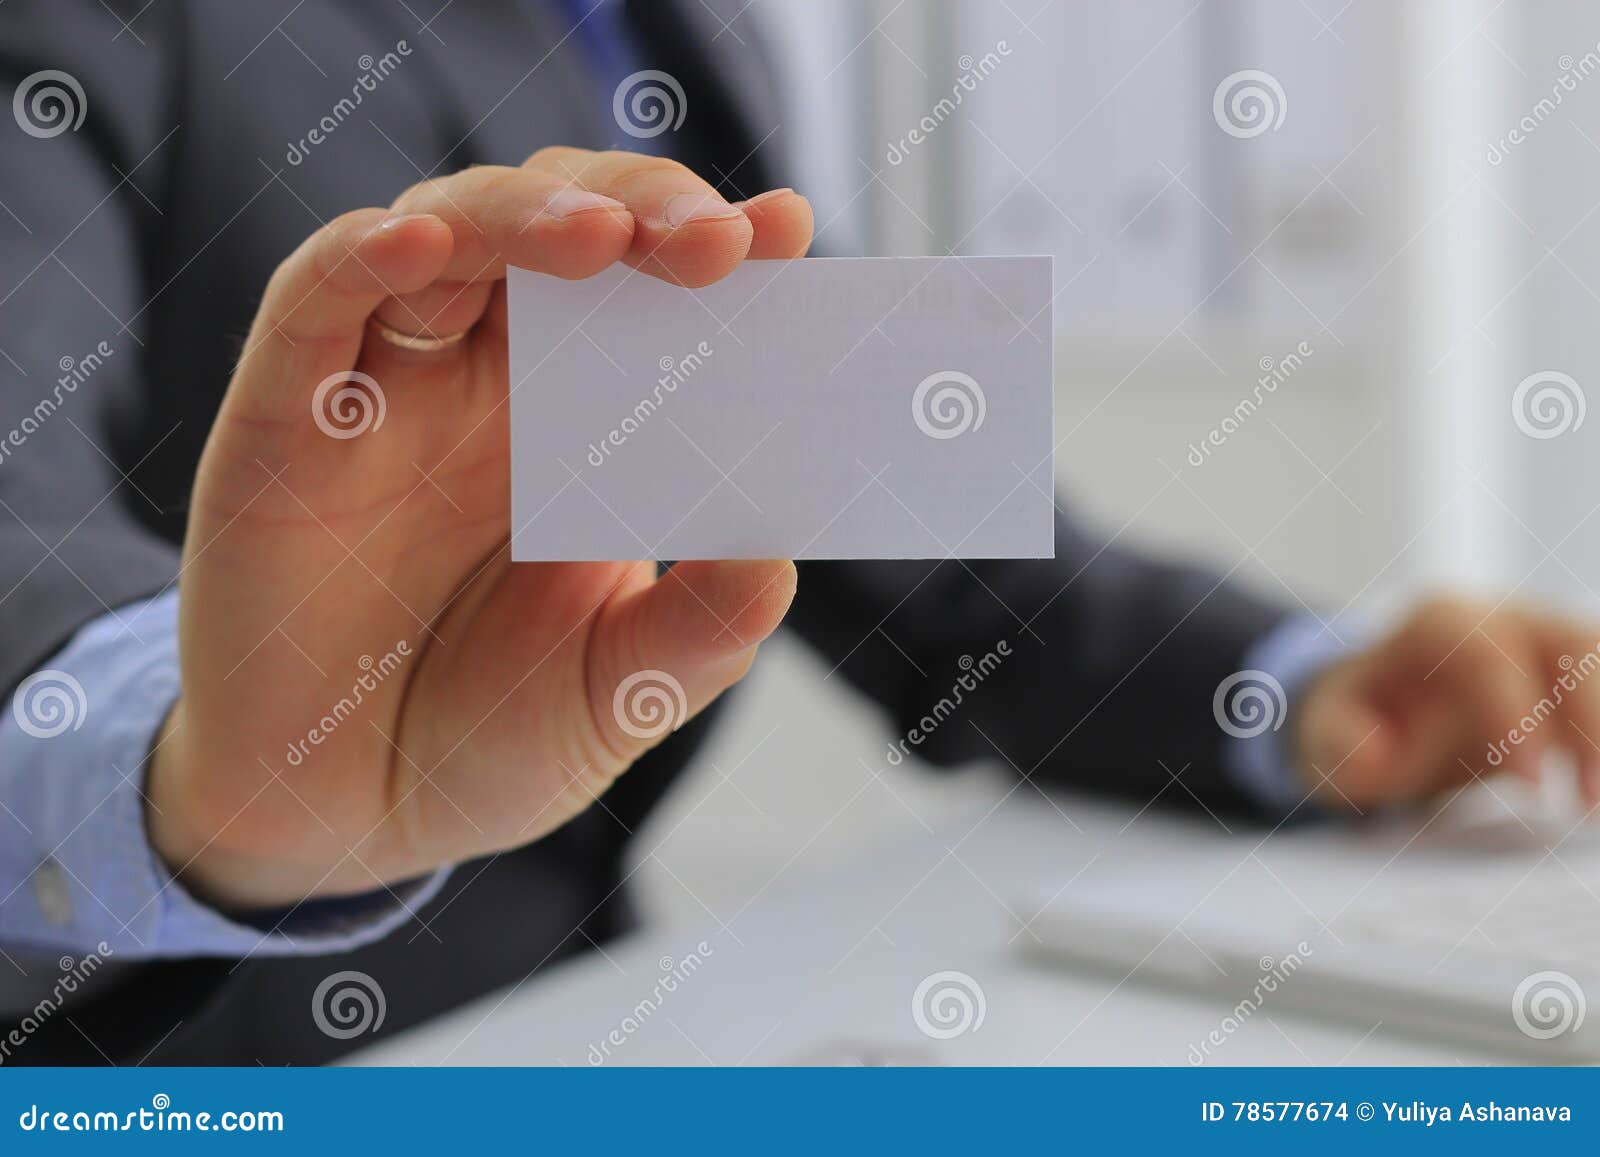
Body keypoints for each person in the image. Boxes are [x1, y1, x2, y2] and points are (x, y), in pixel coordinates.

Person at [0, 0, 1593, 1064]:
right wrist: (203, 772)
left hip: (592, 1032)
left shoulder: (679, 31)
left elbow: (928, 567)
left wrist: (1307, 689)